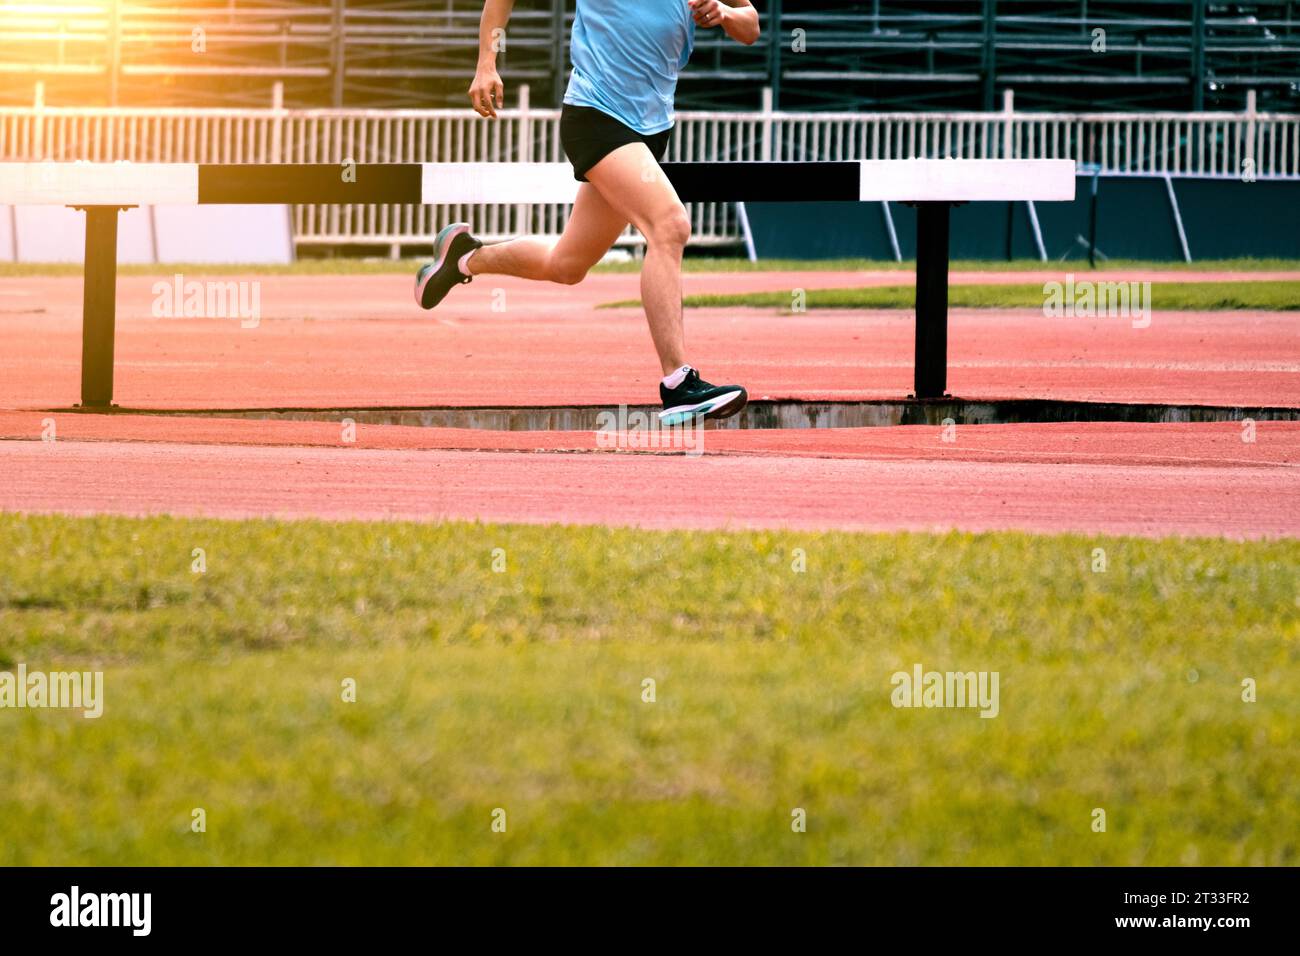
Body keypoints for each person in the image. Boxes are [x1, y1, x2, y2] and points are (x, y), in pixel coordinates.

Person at [416, 0, 759, 424]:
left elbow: (751, 26)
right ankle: (678, 385)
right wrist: (487, 62)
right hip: (595, 116)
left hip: (651, 128)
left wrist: (724, 13)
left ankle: (465, 256)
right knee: (669, 225)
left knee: (567, 264)